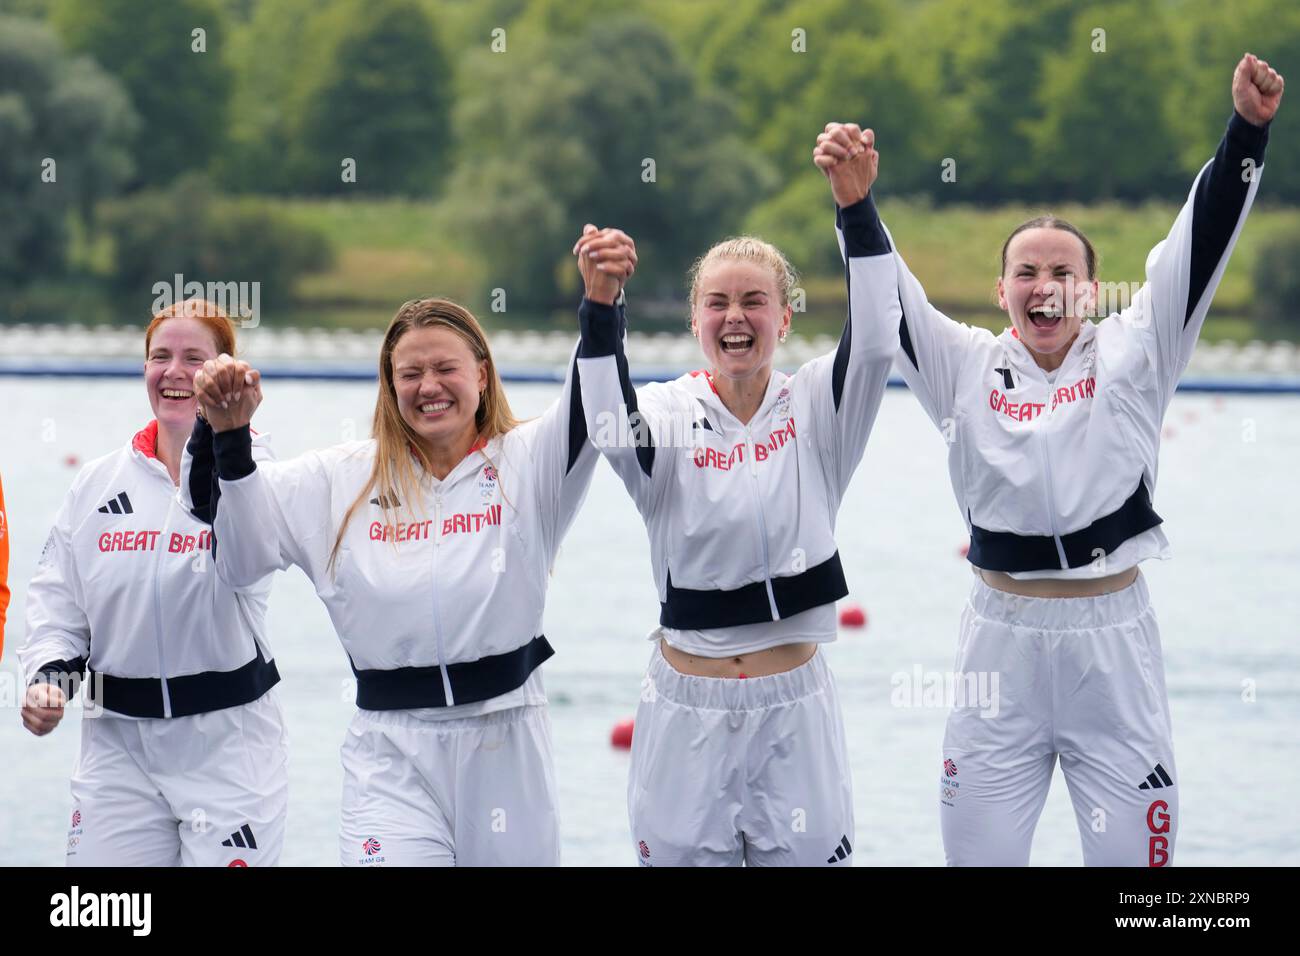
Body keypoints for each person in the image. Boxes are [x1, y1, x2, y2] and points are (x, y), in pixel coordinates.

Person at [815, 54, 1284, 865]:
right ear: (1001, 293)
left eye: (1063, 272)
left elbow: (1198, 243)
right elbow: (890, 301)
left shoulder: (1138, 349)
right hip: (999, 648)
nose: (1045, 285)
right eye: (1025, 273)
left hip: (1114, 649)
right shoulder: (963, 365)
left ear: (1092, 290)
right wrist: (856, 205)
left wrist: (1247, 130)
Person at [572, 124, 895, 866]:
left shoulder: (821, 409)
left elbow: (877, 338)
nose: (736, 318)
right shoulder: (664, 414)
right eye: (717, 304)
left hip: (796, 709)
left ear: (785, 318)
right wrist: (600, 308)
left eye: (755, 301)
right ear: (694, 321)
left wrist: (856, 207)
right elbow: (607, 430)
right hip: (686, 712)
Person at [186, 295, 602, 866]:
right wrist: (228, 435)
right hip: (391, 755)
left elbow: (591, 400)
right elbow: (239, 554)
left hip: (505, 746)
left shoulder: (529, 462)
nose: (429, 385)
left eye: (445, 368)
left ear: (481, 374)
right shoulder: (338, 479)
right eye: (410, 373)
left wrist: (602, 303)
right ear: (390, 386)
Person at [18, 298, 287, 866]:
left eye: (195, 358)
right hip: (118, 752)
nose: (174, 372)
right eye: (159, 357)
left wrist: (226, 440)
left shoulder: (253, 469)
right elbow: (58, 609)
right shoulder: (95, 484)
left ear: (227, 372)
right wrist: (48, 680)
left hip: (226, 749)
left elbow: (246, 556)